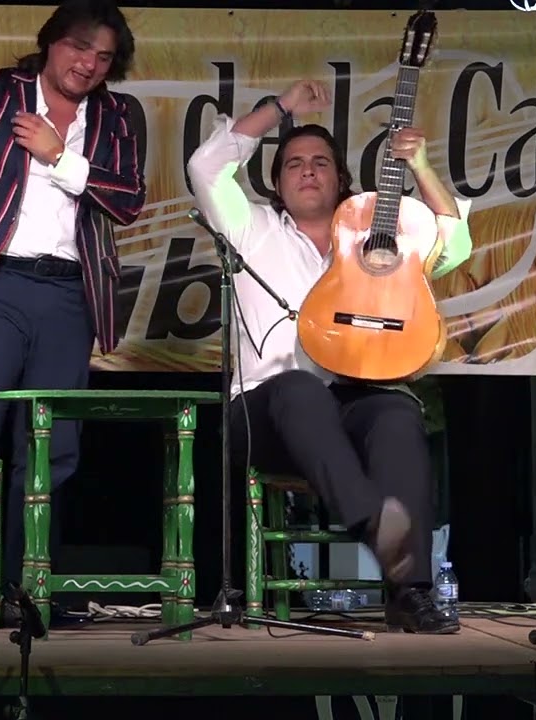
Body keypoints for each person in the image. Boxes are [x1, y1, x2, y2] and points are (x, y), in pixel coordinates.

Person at [186, 79, 472, 634]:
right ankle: (373, 525)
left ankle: (408, 592)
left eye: (321, 161)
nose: (309, 170)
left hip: (348, 402)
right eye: (294, 164)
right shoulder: (252, 228)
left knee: (394, 411)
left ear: (341, 179)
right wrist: (284, 108)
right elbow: (205, 166)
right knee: (299, 388)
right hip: (267, 414)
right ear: (276, 184)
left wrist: (421, 168)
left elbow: (454, 245)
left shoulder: (376, 244)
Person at [0, 0, 144, 632]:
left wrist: (60, 156)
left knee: (52, 449)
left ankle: (26, 586)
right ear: (50, 44)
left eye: (102, 56)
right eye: (77, 48)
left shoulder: (117, 114)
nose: (88, 64)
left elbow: (127, 200)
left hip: (69, 292)